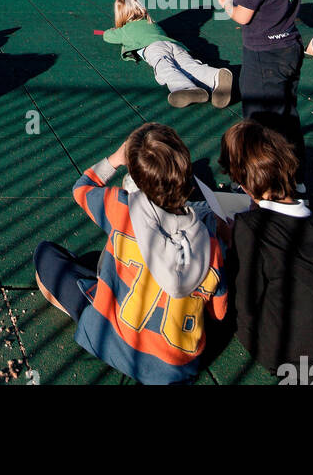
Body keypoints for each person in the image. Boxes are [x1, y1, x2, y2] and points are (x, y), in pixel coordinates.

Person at [32, 123, 228, 385]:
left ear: (135, 179)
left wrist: (114, 159)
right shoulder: (211, 243)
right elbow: (218, 314)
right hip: (176, 369)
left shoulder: (121, 206)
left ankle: (89, 299)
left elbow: (81, 188)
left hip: (109, 339)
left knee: (46, 253)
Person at [217, 120, 313, 373]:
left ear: (246, 186)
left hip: (282, 354)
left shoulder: (249, 229)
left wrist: (234, 239)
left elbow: (246, 302)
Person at [215, 0, 305, 174]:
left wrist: (225, 2)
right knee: (287, 117)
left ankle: (263, 179)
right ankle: (296, 175)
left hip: (263, 53)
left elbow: (243, 17)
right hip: (290, 47)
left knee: (258, 123)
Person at [102, 0, 233, 108]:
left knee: (165, 68)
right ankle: (214, 76)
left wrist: (114, 29)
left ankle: (186, 88)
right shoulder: (152, 24)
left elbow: (107, 36)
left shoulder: (125, 30)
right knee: (190, 65)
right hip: (174, 45)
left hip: (153, 48)